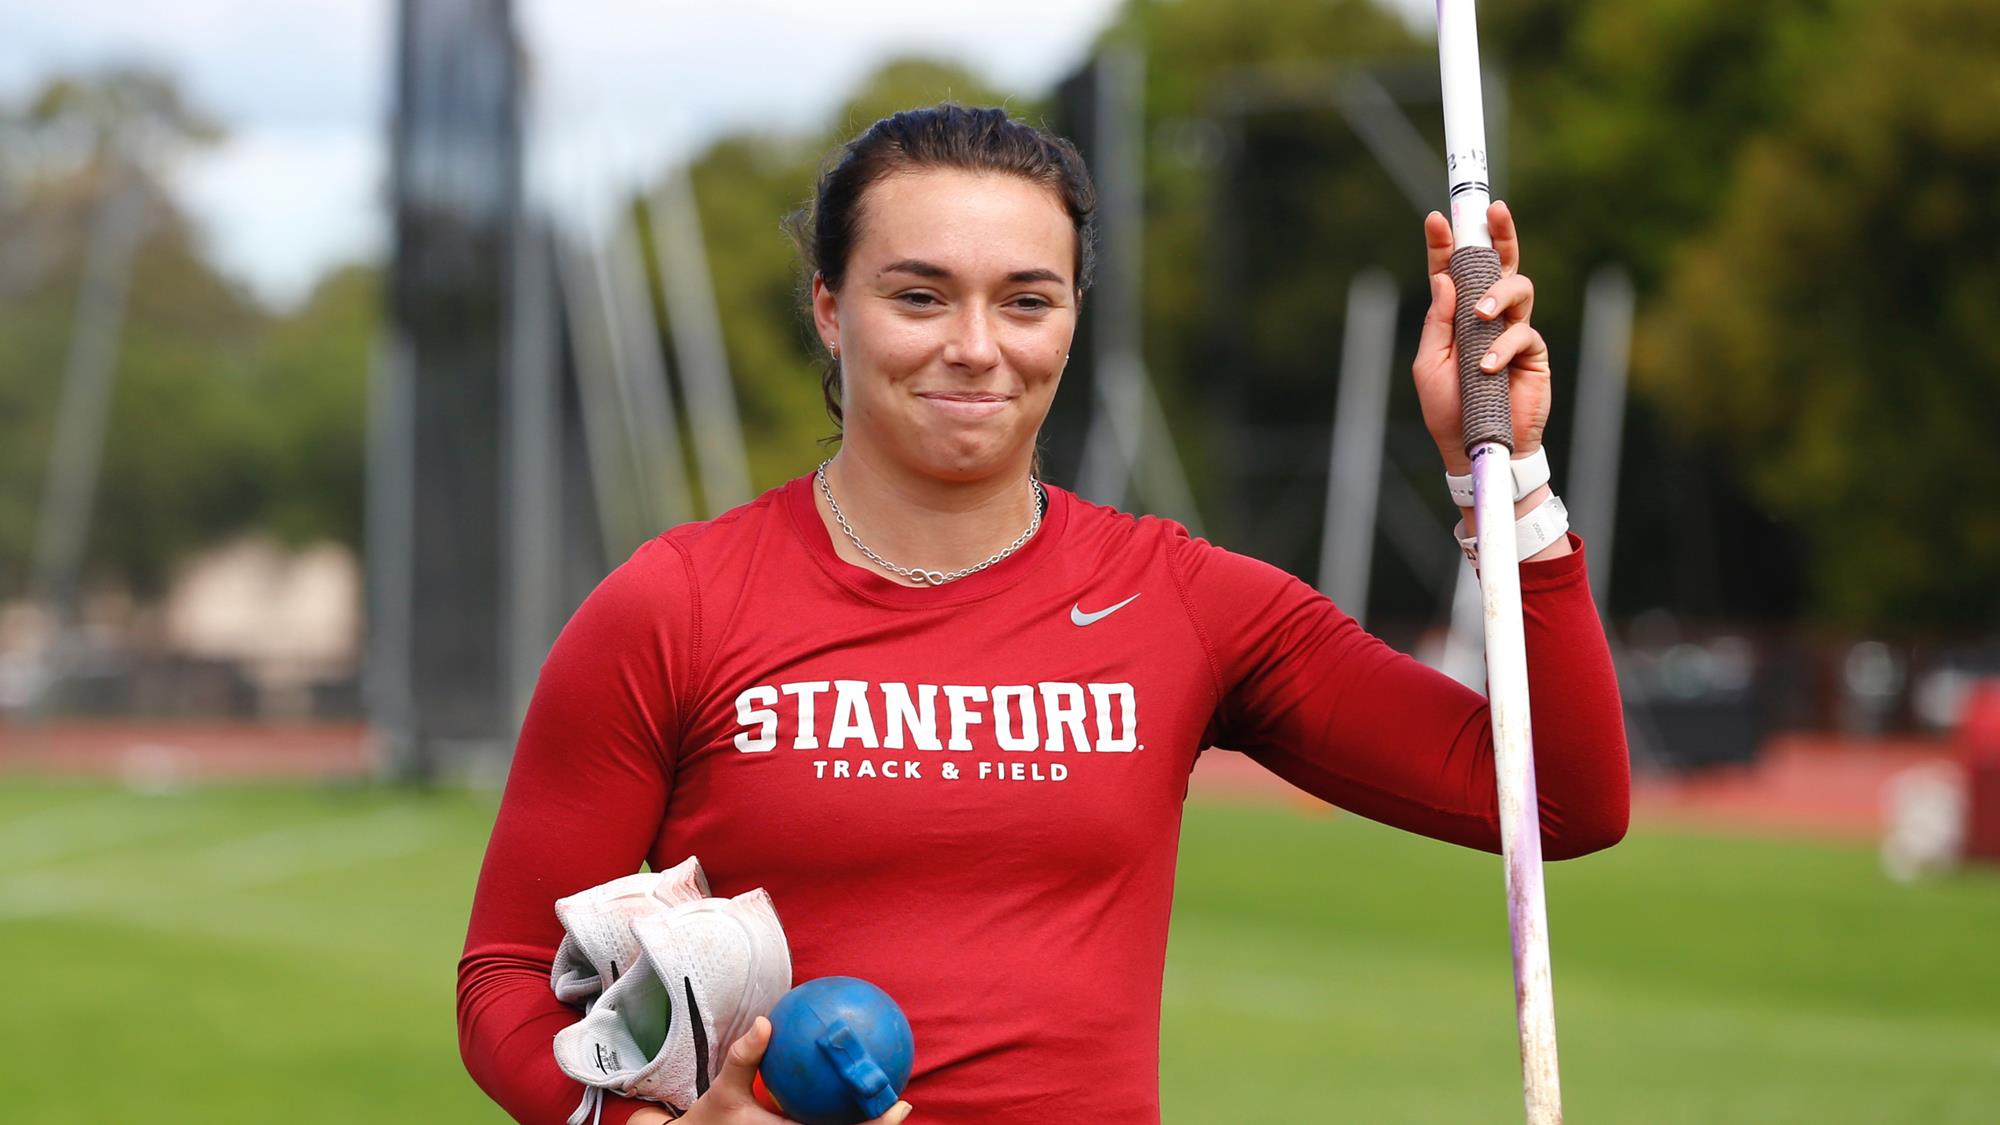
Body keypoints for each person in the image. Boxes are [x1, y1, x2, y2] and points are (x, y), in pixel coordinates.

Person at [457, 103, 1629, 1125]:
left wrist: (1506, 474)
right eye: (918, 295)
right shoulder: (674, 606)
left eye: (1025, 300)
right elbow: (505, 976)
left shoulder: (1182, 599)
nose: (975, 348)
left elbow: (1556, 800)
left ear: (1070, 315)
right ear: (827, 306)